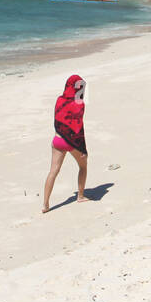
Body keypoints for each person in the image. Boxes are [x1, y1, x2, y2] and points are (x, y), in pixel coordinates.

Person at [43, 74, 88, 212]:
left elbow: (57, 120)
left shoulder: (59, 100)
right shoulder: (79, 104)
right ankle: (80, 196)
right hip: (72, 143)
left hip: (57, 140)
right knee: (83, 167)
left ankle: (45, 204)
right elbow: (78, 128)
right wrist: (83, 149)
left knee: (53, 171)